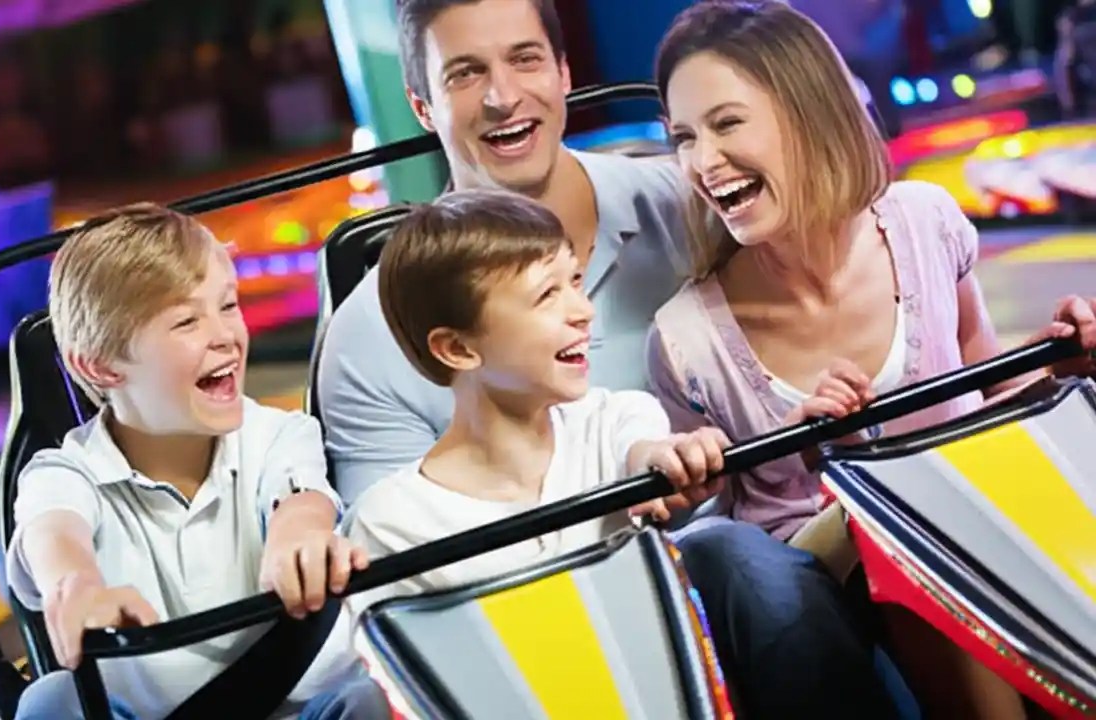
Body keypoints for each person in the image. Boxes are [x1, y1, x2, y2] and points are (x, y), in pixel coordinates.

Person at [316, 1, 908, 717]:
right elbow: (403, 584)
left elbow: (845, 264)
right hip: (512, 650)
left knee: (739, 555)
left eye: (525, 59)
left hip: (728, 587)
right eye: (466, 74)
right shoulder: (369, 332)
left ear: (565, 72)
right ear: (421, 104)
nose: (503, 96)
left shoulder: (694, 202)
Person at [646, 1, 1096, 717]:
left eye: (727, 124)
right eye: (683, 137)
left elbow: (995, 387)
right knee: (907, 538)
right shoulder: (685, 340)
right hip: (824, 596)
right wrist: (812, 449)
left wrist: (1064, 367)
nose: (702, 162)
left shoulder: (923, 223)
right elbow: (717, 537)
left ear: (808, 112)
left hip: (979, 530)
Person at [345, 189, 876, 618]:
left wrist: (668, 462)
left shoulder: (611, 419)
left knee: (723, 545)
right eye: (546, 295)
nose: (583, 312)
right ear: (458, 348)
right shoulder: (394, 523)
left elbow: (640, 448)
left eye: (574, 281)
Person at [7, 203, 390, 720]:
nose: (225, 335)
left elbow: (300, 498)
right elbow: (52, 533)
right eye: (187, 320)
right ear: (99, 364)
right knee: (49, 701)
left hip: (290, 707)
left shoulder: (277, 436)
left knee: (365, 692)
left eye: (228, 305)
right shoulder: (65, 473)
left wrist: (299, 537)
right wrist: (76, 585)